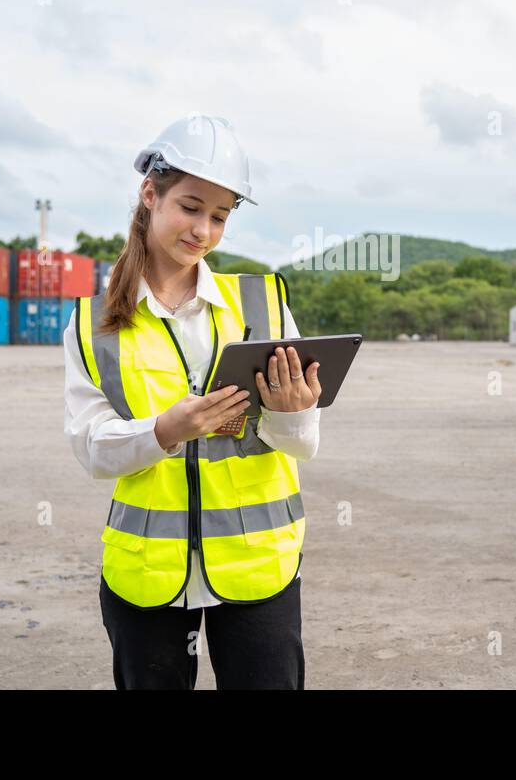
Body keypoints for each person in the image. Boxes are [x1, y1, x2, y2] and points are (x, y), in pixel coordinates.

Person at [63, 114, 322, 690]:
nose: (202, 229)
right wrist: (163, 431)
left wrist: (294, 410)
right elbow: (91, 451)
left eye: (220, 216)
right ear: (149, 195)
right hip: (147, 575)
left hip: (257, 568)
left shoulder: (262, 303)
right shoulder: (93, 326)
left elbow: (303, 446)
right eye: (190, 206)